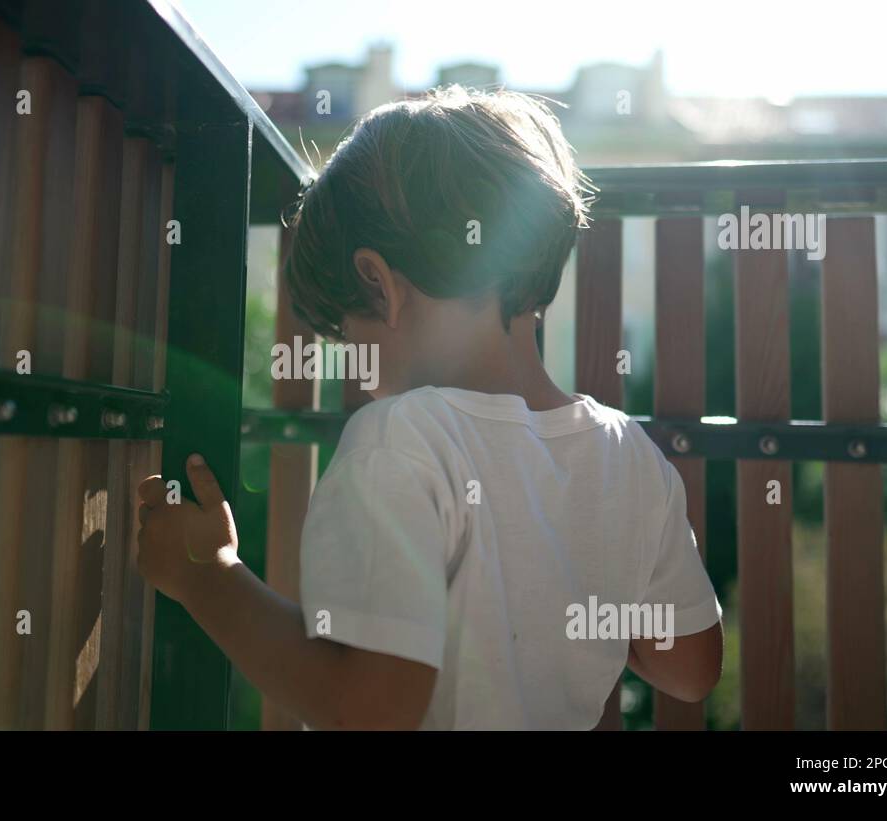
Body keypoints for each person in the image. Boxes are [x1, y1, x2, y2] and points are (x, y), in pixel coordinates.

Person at [136, 86, 722, 730]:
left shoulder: (401, 439)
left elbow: (370, 708)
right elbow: (691, 668)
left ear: (379, 285)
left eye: (347, 331)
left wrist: (207, 575)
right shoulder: (624, 450)